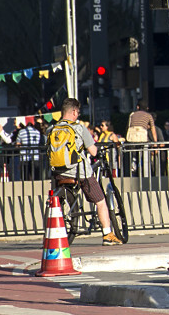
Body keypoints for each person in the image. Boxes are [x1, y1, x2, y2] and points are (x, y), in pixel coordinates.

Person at [48, 98, 123, 246]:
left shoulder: (52, 129)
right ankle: (107, 234)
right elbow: (93, 151)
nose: (78, 115)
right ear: (74, 112)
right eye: (78, 112)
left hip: (58, 173)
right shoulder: (79, 128)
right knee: (101, 201)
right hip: (79, 173)